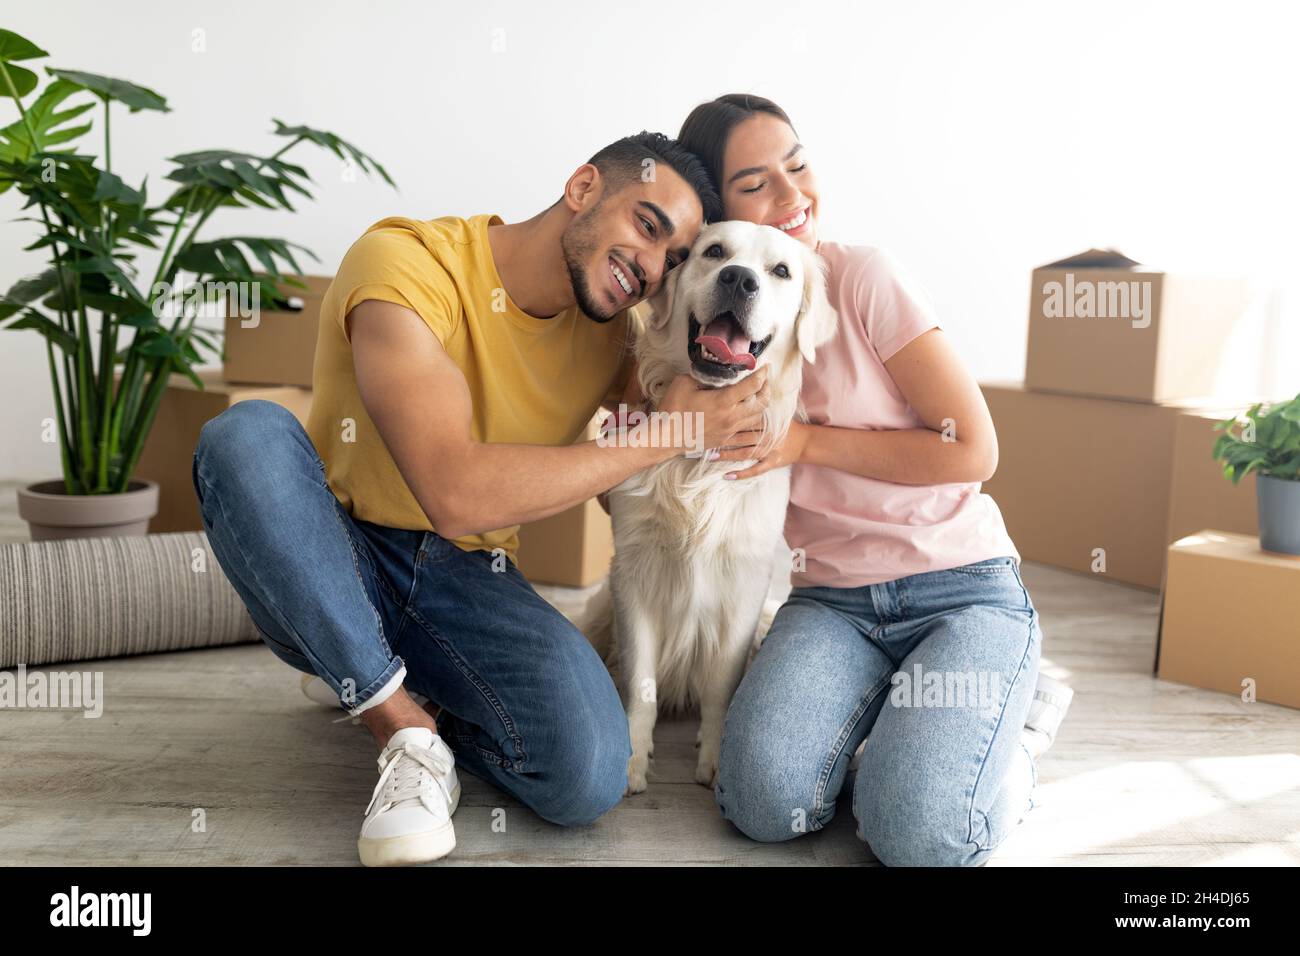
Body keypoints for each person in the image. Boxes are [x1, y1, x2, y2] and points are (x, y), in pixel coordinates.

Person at [191, 130, 771, 866]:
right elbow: (454, 492)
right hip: (337, 547)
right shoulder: (408, 262)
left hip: (468, 585)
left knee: (589, 775)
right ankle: (402, 727)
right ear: (584, 187)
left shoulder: (618, 334)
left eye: (674, 260)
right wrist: (670, 432)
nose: (650, 268)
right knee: (245, 438)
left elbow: (627, 481)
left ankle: (381, 668)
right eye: (647, 227)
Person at [675, 95, 1074, 866]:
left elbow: (972, 449)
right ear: (716, 214)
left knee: (917, 837)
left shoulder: (861, 277)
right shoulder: (713, 323)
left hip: (960, 588)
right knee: (759, 800)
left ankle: (1011, 747)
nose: (793, 197)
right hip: (832, 604)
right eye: (757, 184)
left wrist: (804, 443)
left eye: (797, 165)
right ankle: (906, 740)